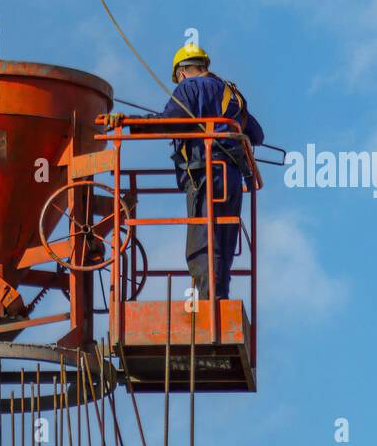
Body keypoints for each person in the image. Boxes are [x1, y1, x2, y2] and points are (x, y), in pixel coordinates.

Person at [110, 43, 263, 301]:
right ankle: (219, 301)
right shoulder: (233, 94)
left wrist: (129, 123)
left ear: (181, 73)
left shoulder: (188, 88)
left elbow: (169, 121)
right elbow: (257, 135)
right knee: (224, 240)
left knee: (202, 241)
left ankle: (207, 305)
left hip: (206, 175)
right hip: (233, 178)